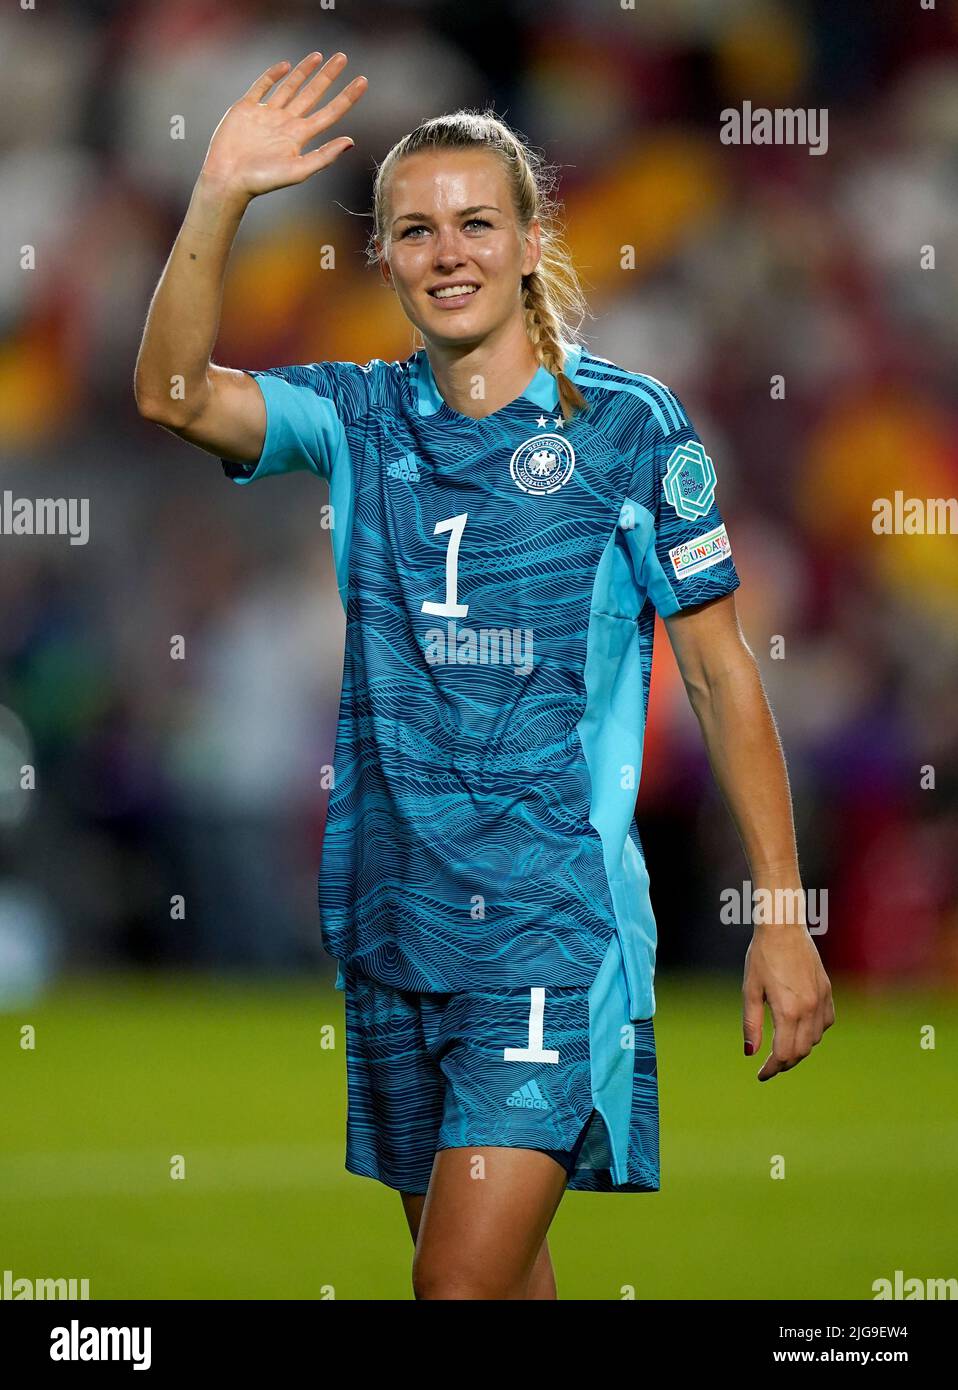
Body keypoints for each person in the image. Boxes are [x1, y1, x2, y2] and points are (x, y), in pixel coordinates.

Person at [134, 51, 835, 1301]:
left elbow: (726, 679)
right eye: (413, 229)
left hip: (546, 926)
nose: (445, 251)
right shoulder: (356, 415)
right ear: (387, 260)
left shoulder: (629, 428)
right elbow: (172, 393)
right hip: (391, 915)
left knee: (451, 1287)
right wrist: (221, 193)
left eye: (474, 224)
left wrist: (781, 911)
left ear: (526, 246)